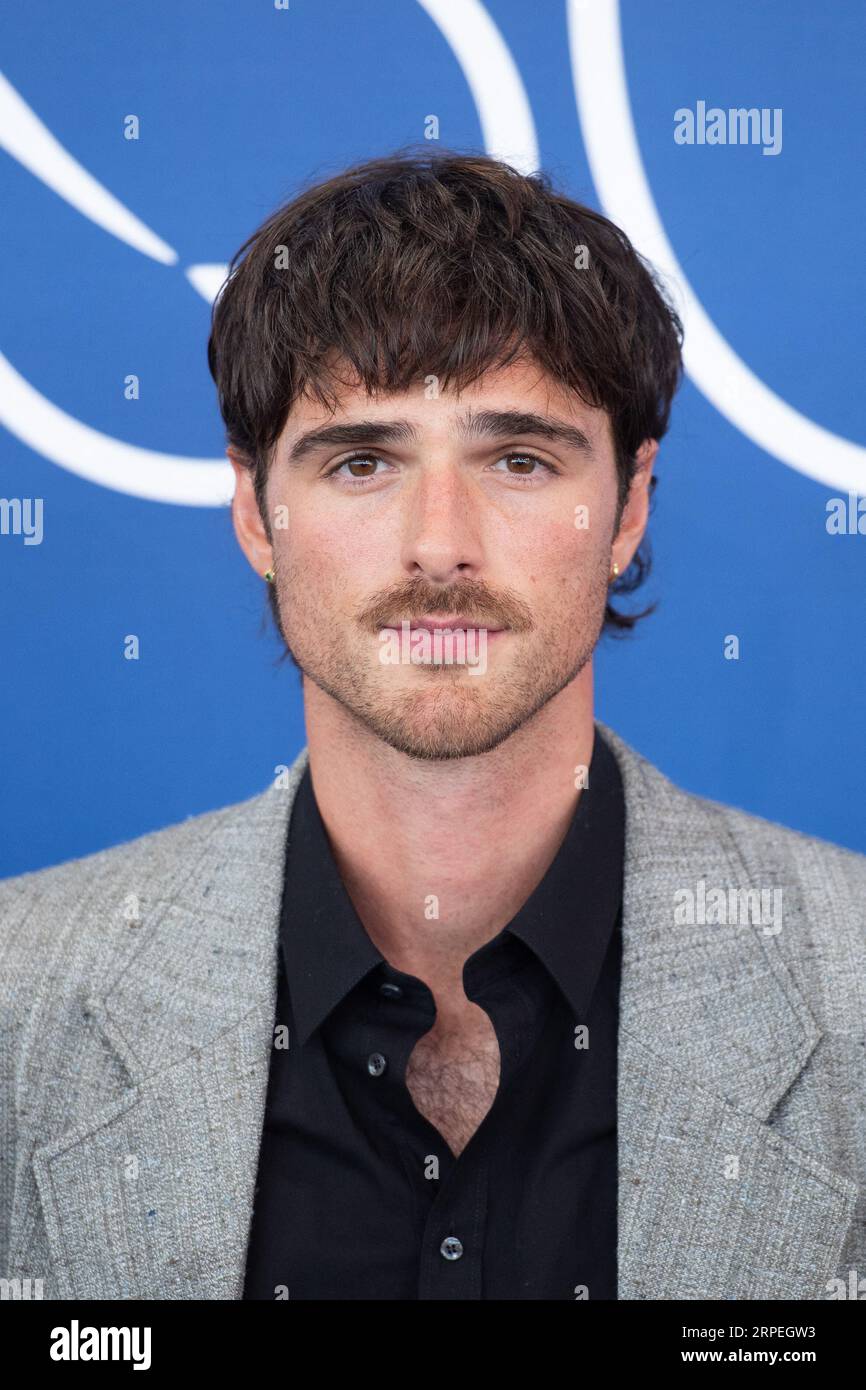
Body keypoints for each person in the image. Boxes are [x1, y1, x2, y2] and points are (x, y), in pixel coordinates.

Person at [1, 151, 863, 1301]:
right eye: (362, 461)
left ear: (628, 506)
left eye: (516, 459)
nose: (437, 544)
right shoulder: (20, 998)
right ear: (258, 514)